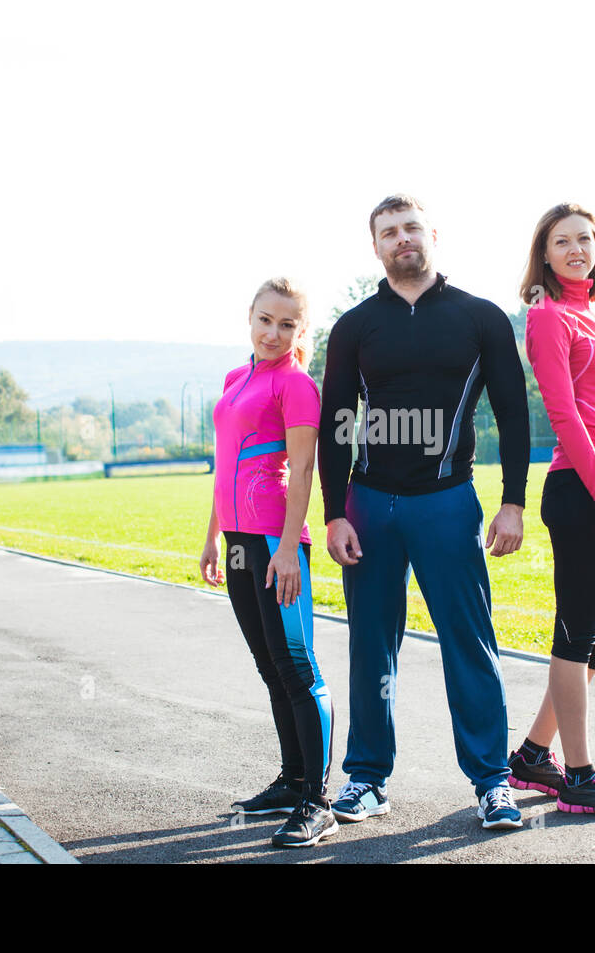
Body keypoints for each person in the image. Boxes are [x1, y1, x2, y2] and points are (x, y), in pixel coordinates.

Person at [318, 194, 530, 830]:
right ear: (376, 247)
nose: (402, 239)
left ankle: (493, 783)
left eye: (411, 227)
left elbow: (515, 416)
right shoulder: (355, 326)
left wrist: (512, 502)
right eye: (389, 232)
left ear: (431, 234)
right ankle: (366, 780)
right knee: (371, 644)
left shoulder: (481, 318)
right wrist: (334, 513)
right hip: (370, 505)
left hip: (446, 502)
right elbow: (335, 424)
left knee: (469, 641)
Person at [508, 203, 595, 818]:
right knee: (577, 632)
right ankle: (579, 775)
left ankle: (533, 755)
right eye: (561, 241)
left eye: (584, 241)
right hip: (579, 488)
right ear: (544, 253)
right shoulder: (546, 317)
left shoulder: (591, 317)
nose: (575, 250)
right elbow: (564, 415)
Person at [200, 277, 336, 848]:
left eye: (287, 325)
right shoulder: (236, 380)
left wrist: (286, 549)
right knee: (269, 666)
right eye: (265, 320)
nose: (273, 333)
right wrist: (212, 537)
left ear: (300, 331)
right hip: (235, 540)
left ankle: (318, 801)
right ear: (250, 318)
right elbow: (223, 462)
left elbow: (303, 472)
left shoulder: (298, 385)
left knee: (297, 666)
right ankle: (292, 780)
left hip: (276, 541)